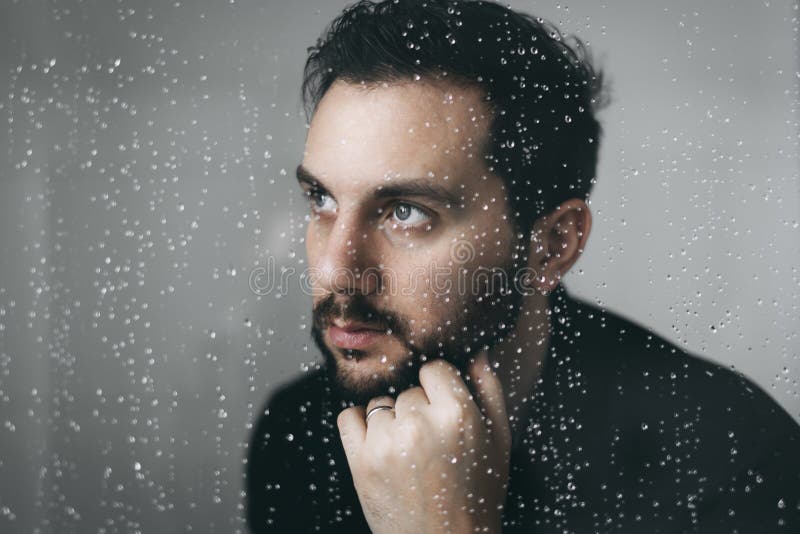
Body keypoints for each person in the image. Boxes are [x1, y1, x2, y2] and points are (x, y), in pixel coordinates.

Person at [245, 0, 800, 532]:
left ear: (551, 245)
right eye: (321, 201)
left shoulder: (731, 460)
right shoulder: (301, 430)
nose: (338, 269)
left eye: (406, 212)